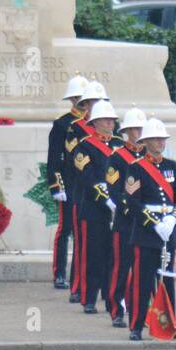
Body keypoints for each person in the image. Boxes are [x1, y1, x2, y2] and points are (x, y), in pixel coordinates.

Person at [122, 118, 176, 341]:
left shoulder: (173, 167)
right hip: (146, 232)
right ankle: (137, 326)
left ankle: (168, 325)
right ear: (146, 141)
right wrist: (155, 223)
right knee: (142, 280)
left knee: (166, 280)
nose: (160, 142)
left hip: (168, 231)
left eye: (162, 139)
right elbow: (133, 201)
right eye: (156, 139)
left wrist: (171, 220)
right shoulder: (135, 168)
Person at [73, 99, 123, 314]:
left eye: (111, 119)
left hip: (117, 208)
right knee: (92, 255)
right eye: (105, 119)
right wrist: (107, 198)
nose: (109, 123)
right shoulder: (84, 146)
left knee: (113, 255)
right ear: (94, 122)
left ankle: (110, 295)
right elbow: (88, 177)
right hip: (94, 208)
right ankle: (89, 297)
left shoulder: (119, 145)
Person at [61, 79, 104, 302]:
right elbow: (74, 158)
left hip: (107, 196)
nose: (95, 104)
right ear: (84, 105)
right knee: (82, 243)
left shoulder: (110, 130)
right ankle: (78, 286)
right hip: (83, 192)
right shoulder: (75, 128)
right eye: (91, 101)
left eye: (99, 101)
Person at [46, 74, 88, 289]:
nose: (81, 101)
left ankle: (83, 273)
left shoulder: (98, 123)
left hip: (90, 185)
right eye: (77, 97)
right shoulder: (62, 124)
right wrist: (56, 185)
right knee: (66, 229)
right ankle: (60, 273)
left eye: (84, 97)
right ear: (71, 99)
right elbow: (54, 158)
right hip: (70, 183)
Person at [106, 107, 147, 327]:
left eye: (142, 128)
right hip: (126, 220)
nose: (139, 132)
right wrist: (134, 210)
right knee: (121, 267)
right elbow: (114, 191)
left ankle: (140, 309)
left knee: (144, 270)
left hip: (146, 224)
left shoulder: (151, 158)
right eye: (136, 129)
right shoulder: (118, 157)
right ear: (128, 131)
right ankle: (116, 308)